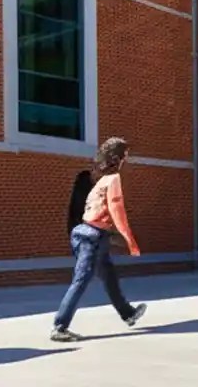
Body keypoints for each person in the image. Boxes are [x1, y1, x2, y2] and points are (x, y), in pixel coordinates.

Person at [51, 137, 147, 342]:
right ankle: (60, 326)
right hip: (91, 237)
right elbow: (116, 210)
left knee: (109, 275)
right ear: (117, 158)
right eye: (124, 157)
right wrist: (129, 240)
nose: (125, 161)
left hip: (92, 235)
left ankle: (128, 313)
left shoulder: (102, 180)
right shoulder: (110, 180)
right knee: (81, 279)